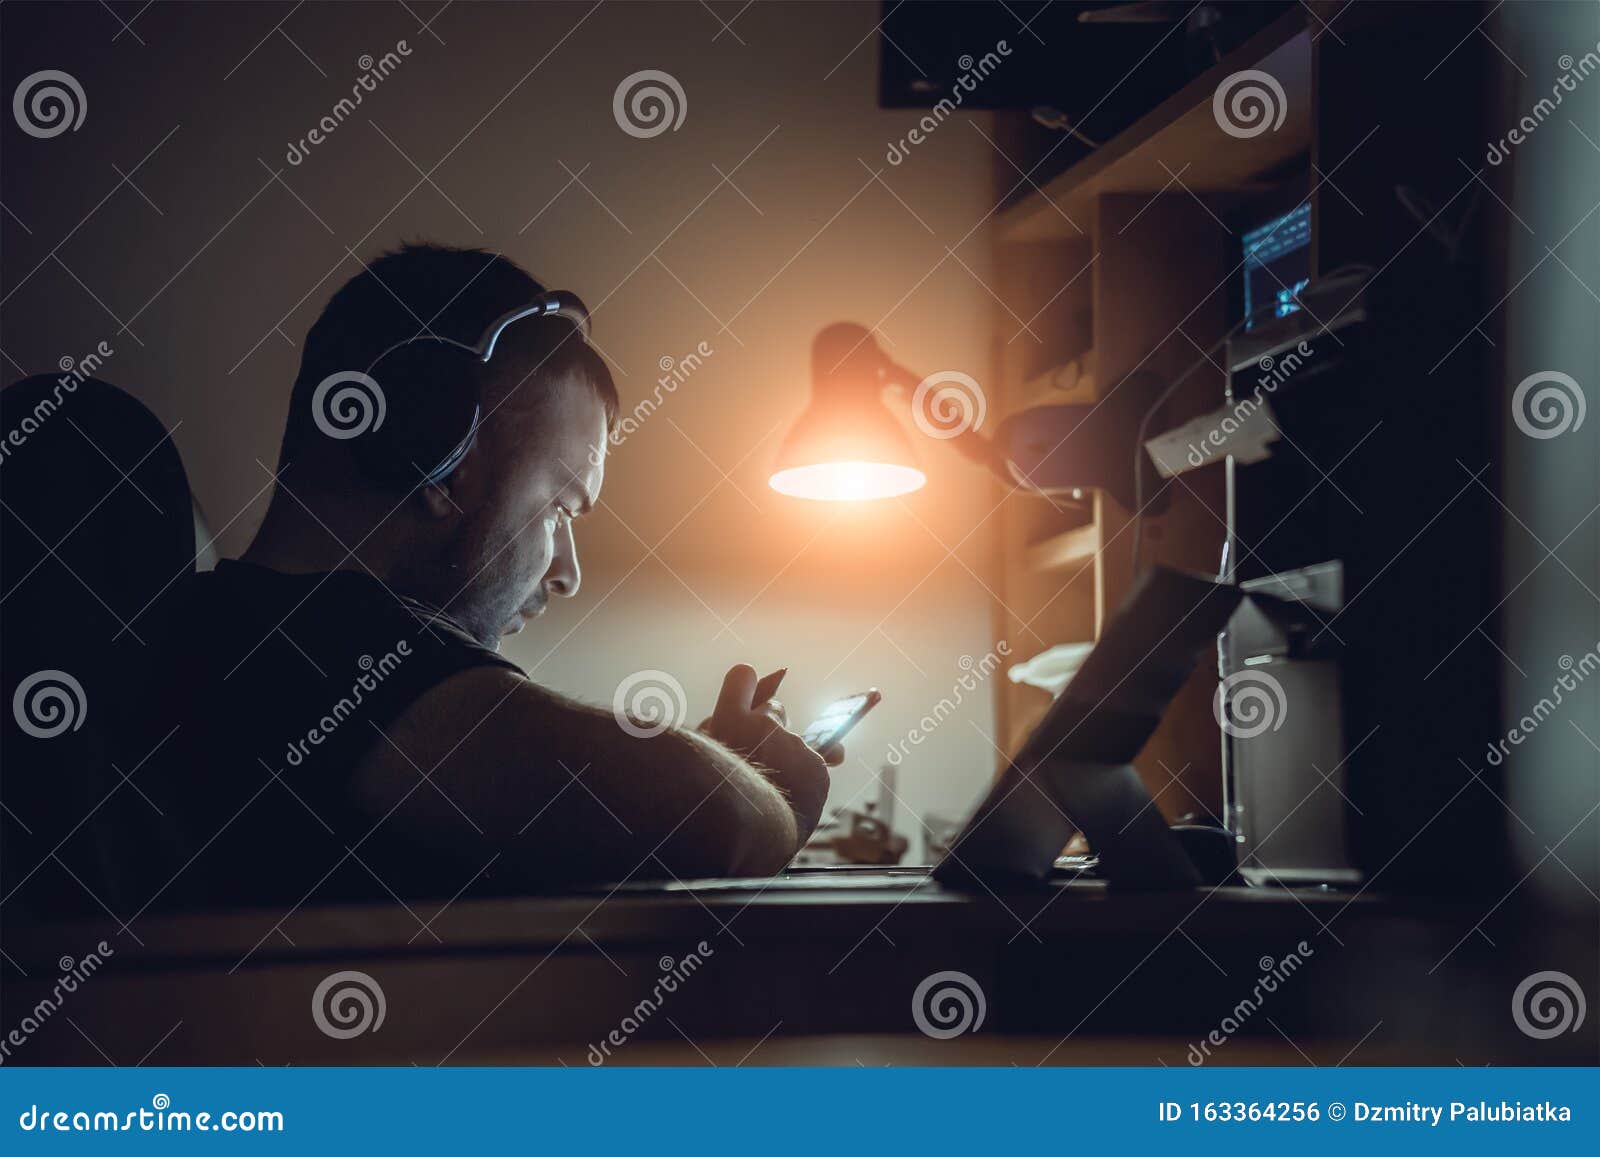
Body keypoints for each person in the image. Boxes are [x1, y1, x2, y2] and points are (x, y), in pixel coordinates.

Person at [132, 243, 837, 910]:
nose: (567, 574)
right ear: (438, 452)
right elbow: (723, 824)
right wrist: (766, 785)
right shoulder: (313, 649)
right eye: (560, 508)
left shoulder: (243, 639)